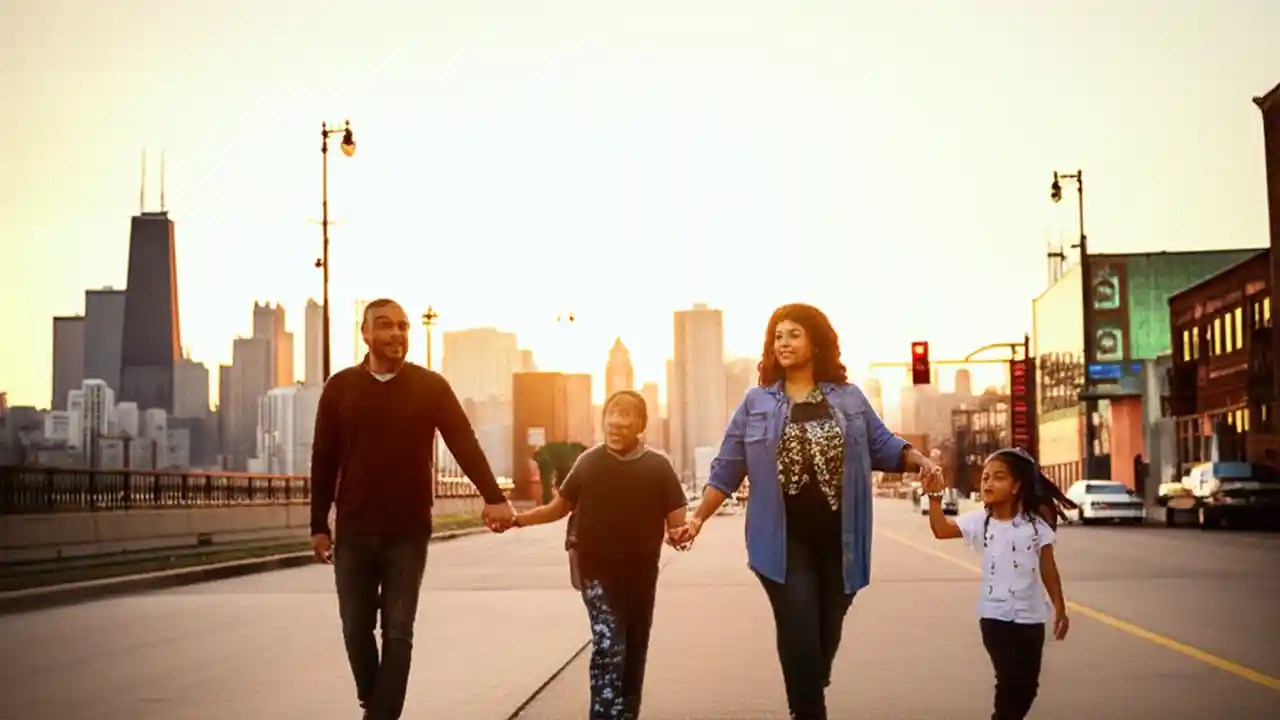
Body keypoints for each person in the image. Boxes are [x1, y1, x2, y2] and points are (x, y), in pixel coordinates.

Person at [677, 303, 941, 720]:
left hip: (842, 539)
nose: (783, 343)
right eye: (778, 336)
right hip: (782, 541)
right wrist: (697, 518)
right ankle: (807, 705)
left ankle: (810, 682)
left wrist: (920, 460)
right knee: (798, 625)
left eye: (794, 334)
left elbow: (884, 444)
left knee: (826, 630)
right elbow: (727, 467)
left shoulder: (849, 399)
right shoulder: (756, 402)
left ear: (816, 343)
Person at [309, 298, 515, 720]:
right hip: (354, 528)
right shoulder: (340, 388)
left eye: (403, 326)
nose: (396, 334)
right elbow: (323, 458)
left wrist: (494, 496)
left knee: (399, 630)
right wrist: (318, 524)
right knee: (355, 628)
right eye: (385, 325)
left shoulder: (430, 387)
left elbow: (463, 442)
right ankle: (376, 702)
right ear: (365, 333)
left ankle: (381, 714)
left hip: (408, 529)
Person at [511, 390, 689, 720]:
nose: (617, 423)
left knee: (634, 645)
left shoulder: (658, 467)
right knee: (609, 642)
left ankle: (627, 712)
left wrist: (682, 534)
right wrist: (516, 519)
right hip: (596, 570)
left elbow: (677, 521)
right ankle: (603, 714)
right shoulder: (589, 463)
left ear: (641, 426)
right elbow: (558, 507)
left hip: (641, 572)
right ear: (603, 420)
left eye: (626, 417)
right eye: (612, 415)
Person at [921, 447, 1071, 720]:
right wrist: (934, 498)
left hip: (1031, 619)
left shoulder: (1036, 526)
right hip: (995, 618)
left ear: (1016, 486)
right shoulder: (981, 522)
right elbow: (941, 530)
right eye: (985, 478)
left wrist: (1060, 608)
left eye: (998, 477)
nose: (988, 483)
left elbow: (1048, 568)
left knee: (1027, 688)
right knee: (1009, 682)